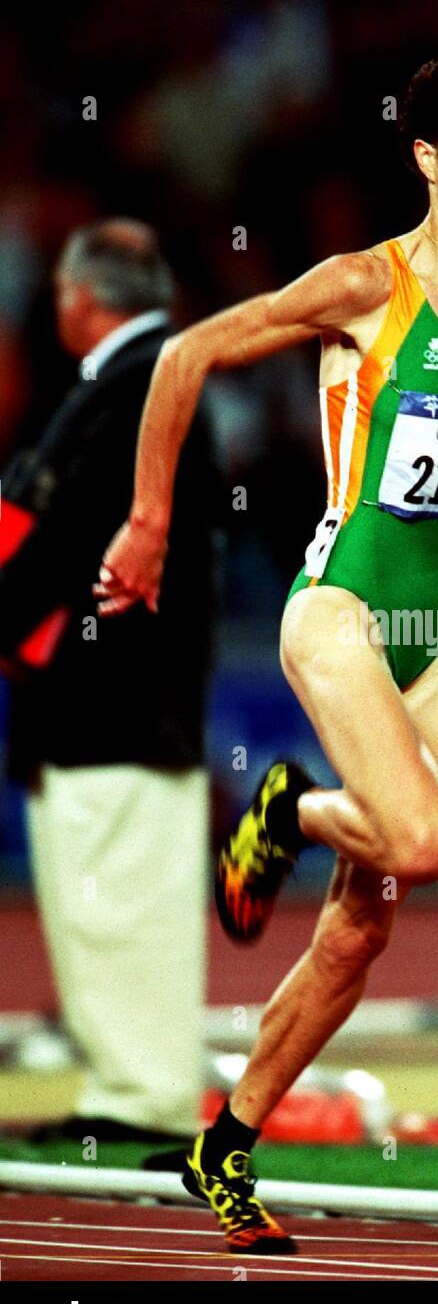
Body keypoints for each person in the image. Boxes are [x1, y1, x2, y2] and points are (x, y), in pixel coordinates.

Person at [96, 53, 438, 1252]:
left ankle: (223, 1144)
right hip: (342, 604)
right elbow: (182, 356)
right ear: (426, 160)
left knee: (362, 924)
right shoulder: (361, 283)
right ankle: (289, 807)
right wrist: (146, 523)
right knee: (429, 841)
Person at [0, 219, 216, 1145]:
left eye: (60, 294)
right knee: (102, 899)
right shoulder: (132, 380)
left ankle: (145, 1097)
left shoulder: (140, 384)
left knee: (123, 896)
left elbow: (56, 534)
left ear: (83, 300)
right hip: (105, 696)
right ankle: (127, 1088)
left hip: (115, 696)